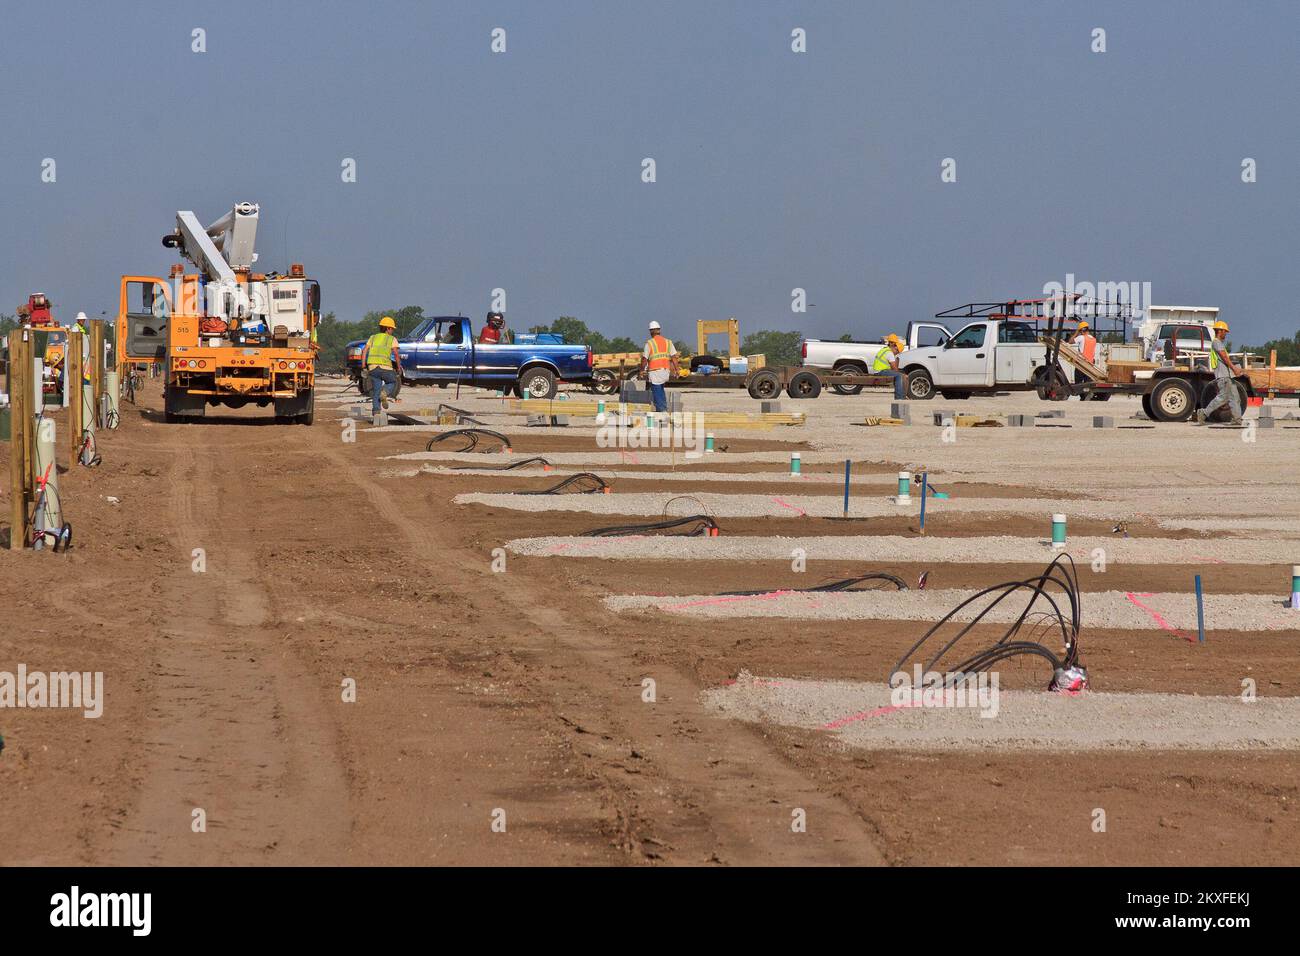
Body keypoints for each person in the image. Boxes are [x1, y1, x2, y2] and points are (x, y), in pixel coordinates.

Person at [1195, 320, 1243, 425]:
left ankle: (1237, 419)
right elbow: (1224, 357)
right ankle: (1203, 413)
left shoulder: (1219, 343)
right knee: (1223, 398)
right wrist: (1234, 368)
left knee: (1235, 397)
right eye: (1225, 331)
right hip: (1223, 376)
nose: (1226, 333)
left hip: (1227, 376)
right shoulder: (1216, 342)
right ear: (1220, 331)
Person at [361, 315, 402, 418]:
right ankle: (385, 392)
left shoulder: (373, 337)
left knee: (376, 389)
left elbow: (364, 350)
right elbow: (396, 354)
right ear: (388, 328)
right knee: (392, 381)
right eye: (392, 328)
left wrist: (363, 366)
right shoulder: (392, 339)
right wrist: (398, 367)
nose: (392, 330)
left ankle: (376, 413)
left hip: (372, 368)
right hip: (386, 367)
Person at [639, 320, 679, 412]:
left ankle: (662, 410)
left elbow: (644, 359)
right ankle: (663, 408)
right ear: (659, 330)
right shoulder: (668, 342)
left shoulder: (649, 343)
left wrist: (641, 370)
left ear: (651, 331)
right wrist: (677, 370)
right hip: (665, 370)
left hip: (655, 370)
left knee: (657, 391)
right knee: (661, 390)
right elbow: (674, 357)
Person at [872, 334, 907, 400]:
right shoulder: (889, 353)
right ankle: (899, 397)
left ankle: (901, 396)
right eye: (897, 352)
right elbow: (894, 369)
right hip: (881, 371)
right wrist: (902, 374)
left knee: (898, 375)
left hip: (878, 370)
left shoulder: (885, 349)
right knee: (899, 376)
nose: (896, 354)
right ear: (894, 347)